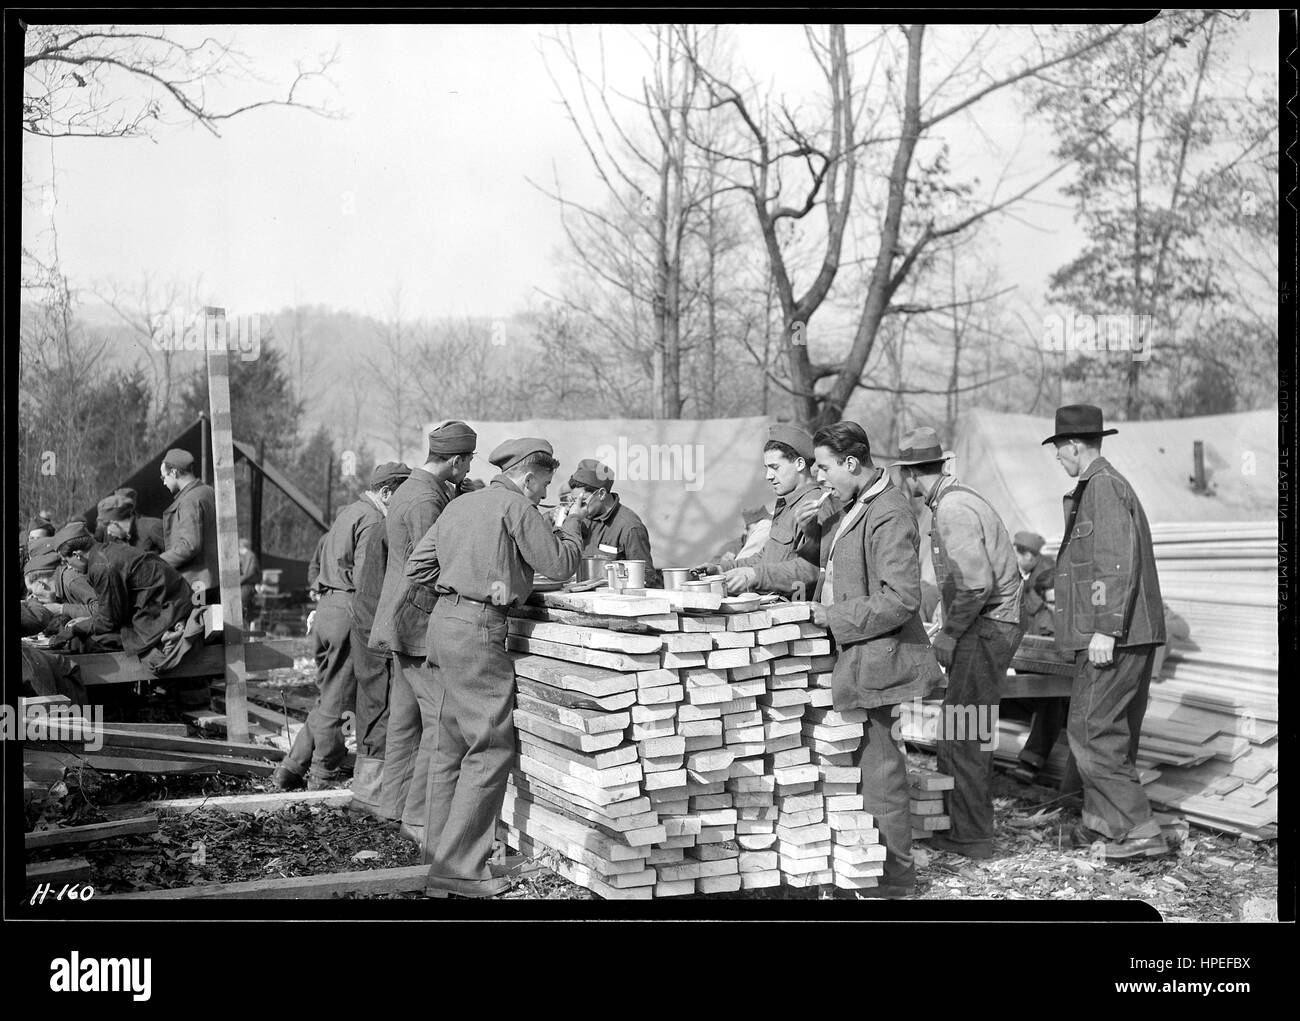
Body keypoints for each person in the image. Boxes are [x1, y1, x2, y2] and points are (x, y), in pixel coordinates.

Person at [753, 421, 943, 898]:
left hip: (880, 657)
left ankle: (894, 882)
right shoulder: (854, 504)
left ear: (853, 464)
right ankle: (865, 871)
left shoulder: (889, 513)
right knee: (862, 769)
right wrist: (815, 522)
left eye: (824, 467)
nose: (819, 475)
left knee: (881, 774)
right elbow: (824, 562)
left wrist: (830, 613)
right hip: (856, 653)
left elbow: (901, 599)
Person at [405, 437, 588, 898]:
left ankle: (437, 856)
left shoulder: (460, 504)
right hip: (479, 631)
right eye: (544, 484)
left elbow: (417, 567)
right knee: (488, 749)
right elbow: (562, 565)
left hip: (443, 626)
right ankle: (460, 871)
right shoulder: (516, 506)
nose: (545, 494)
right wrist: (574, 527)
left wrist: (460, 588)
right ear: (528, 477)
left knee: (450, 747)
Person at [893, 427, 1025, 860]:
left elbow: (975, 585)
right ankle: (966, 829)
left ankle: (971, 836)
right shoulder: (956, 499)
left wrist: (948, 633)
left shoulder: (951, 509)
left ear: (913, 474)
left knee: (965, 731)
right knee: (965, 729)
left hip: (985, 628)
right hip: (988, 626)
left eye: (906, 474)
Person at [1045, 404, 1169, 859]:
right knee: (1097, 729)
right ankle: (1104, 826)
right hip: (1122, 633)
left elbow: (1114, 564)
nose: (1058, 459)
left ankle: (1139, 832)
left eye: (1059, 451)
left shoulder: (1101, 487)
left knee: (1094, 732)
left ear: (1074, 446)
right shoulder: (1100, 485)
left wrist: (1106, 630)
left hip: (1117, 635)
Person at [368, 421, 477, 837]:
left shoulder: (415, 490)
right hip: (416, 622)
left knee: (405, 720)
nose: (467, 470)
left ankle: (392, 806)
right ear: (455, 460)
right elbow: (429, 565)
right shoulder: (426, 500)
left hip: (400, 619)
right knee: (440, 722)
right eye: (467, 462)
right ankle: (417, 818)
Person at [273, 463, 407, 792]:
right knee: (340, 700)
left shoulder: (349, 513)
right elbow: (367, 579)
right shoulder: (375, 519)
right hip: (348, 612)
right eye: (401, 495)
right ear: (387, 492)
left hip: (327, 609)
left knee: (328, 696)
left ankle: (291, 767)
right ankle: (321, 775)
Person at [348, 462, 411, 819]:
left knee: (373, 709)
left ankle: (369, 796)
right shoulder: (390, 528)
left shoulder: (382, 524)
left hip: (368, 626)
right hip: (377, 633)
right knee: (381, 712)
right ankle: (371, 799)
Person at [707, 424, 827, 596]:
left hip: (800, 612)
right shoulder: (789, 505)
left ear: (800, 464)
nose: (768, 476)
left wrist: (757, 576)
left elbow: (813, 568)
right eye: (767, 468)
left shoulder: (814, 505)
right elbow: (765, 557)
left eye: (775, 467)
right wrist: (722, 569)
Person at [50, 521, 192, 660]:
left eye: (66, 561)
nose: (68, 567)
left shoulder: (101, 566)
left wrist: (76, 628)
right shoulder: (107, 551)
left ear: (77, 554)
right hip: (168, 604)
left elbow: (109, 621)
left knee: (81, 643)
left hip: (162, 614)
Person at [1008, 530, 1070, 785]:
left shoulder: (1043, 594)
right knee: (981, 693)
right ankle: (969, 758)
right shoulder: (1022, 590)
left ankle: (1030, 762)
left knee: (1052, 695)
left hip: (1055, 689)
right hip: (1021, 682)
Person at [567, 458, 659, 586]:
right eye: (573, 501)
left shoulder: (629, 527)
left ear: (602, 494)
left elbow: (647, 578)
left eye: (582, 502)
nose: (576, 507)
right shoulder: (580, 518)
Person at [159, 449, 219, 602]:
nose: (163, 481)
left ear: (174, 472)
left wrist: (157, 561)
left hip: (196, 582)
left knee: (195, 624)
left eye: (164, 476)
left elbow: (190, 545)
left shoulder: (189, 501)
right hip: (214, 579)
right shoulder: (208, 491)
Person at [94, 489, 165, 554]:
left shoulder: (152, 527)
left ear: (115, 523)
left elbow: (174, 552)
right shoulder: (121, 538)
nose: (108, 532)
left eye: (108, 526)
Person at [238, 538, 261, 624]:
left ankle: (245, 626)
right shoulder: (243, 557)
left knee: (242, 604)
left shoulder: (250, 556)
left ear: (241, 547)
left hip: (248, 586)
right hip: (245, 585)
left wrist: (239, 581)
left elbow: (250, 573)